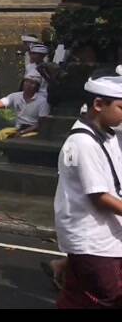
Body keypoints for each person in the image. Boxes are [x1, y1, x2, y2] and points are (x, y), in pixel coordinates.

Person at [54, 74, 122, 308]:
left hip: (106, 236)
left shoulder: (107, 134)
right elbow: (99, 197)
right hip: (94, 239)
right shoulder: (83, 143)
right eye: (121, 107)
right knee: (108, 297)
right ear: (99, 105)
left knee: (78, 298)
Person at [0, 72, 50, 140]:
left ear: (37, 87)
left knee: (21, 139)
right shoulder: (15, 96)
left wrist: (23, 132)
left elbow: (40, 124)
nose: (28, 85)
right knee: (0, 135)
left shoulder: (42, 101)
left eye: (32, 83)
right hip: (18, 128)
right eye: (26, 82)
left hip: (33, 131)